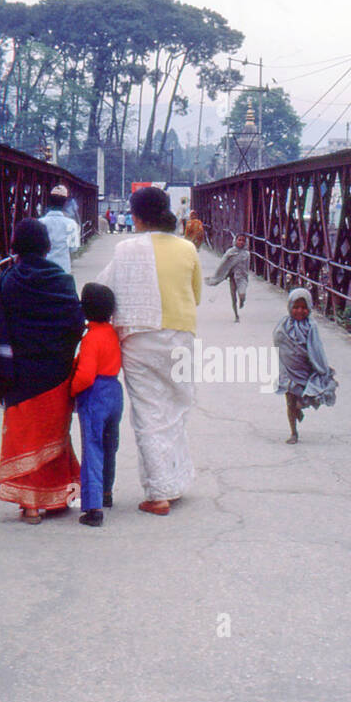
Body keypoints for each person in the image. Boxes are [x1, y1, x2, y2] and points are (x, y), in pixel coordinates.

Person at [98, 186, 201, 516]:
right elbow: (195, 295)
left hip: (140, 339)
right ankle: (175, 481)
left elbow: (102, 290)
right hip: (180, 337)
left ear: (137, 216)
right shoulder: (187, 249)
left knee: (148, 415)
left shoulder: (126, 249)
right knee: (175, 410)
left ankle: (158, 492)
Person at [0, 219, 85, 524]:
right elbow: (75, 322)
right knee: (54, 435)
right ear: (47, 246)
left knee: (25, 437)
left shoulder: (9, 281)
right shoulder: (61, 279)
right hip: (55, 373)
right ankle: (55, 497)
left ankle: (31, 507)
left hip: (21, 376)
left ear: (15, 246)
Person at [71, 283, 123, 527]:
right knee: (109, 445)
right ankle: (106, 493)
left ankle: (93, 508)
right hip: (114, 390)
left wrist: (70, 392)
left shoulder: (91, 338)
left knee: (92, 448)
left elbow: (85, 375)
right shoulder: (113, 333)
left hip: (95, 394)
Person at [274, 287, 337, 444]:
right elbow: (278, 341)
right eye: (295, 307)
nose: (299, 311)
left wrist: (322, 369)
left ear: (309, 308)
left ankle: (298, 410)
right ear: (289, 307)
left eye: (304, 308)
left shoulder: (311, 326)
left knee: (300, 401)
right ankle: (293, 433)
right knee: (289, 401)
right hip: (288, 371)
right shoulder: (284, 324)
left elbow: (316, 349)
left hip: (304, 370)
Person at [204, 233, 250, 321]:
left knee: (242, 294)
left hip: (242, 278)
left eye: (243, 240)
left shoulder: (246, 254)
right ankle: (236, 315)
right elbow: (223, 264)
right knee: (233, 297)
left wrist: (246, 277)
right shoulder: (230, 252)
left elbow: (246, 268)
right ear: (235, 241)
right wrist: (220, 275)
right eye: (239, 240)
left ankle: (242, 301)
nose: (241, 242)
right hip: (232, 278)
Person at [41, 185, 80, 274]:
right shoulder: (71, 224)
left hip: (43, 269)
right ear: (65, 202)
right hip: (63, 268)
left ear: (50, 201)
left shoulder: (40, 223)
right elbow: (73, 248)